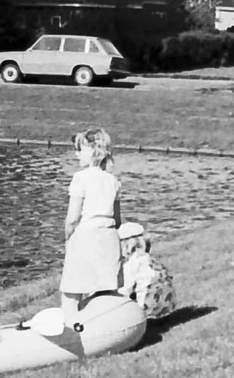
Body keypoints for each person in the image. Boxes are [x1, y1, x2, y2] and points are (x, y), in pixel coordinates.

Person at [61, 127, 122, 317]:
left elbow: (72, 217)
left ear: (93, 151)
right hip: (109, 237)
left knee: (72, 289)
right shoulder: (113, 181)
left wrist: (68, 237)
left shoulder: (80, 178)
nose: (76, 154)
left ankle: (70, 326)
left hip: (86, 235)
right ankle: (107, 326)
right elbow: (117, 220)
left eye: (80, 150)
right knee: (107, 287)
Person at [119, 221, 176, 319]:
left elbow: (125, 291)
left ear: (125, 245)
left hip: (146, 311)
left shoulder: (132, 264)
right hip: (167, 307)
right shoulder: (150, 260)